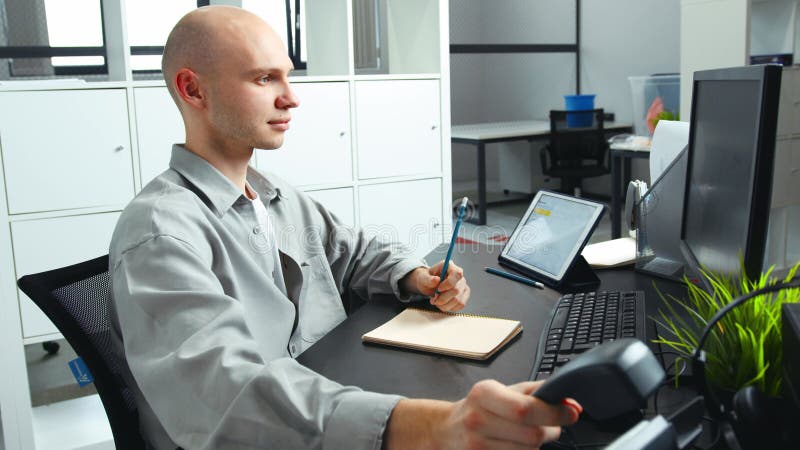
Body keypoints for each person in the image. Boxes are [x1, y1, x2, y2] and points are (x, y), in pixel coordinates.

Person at [109, 5, 581, 449]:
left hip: (327, 398)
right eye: (264, 78)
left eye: (287, 76)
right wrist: (433, 426)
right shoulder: (159, 232)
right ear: (193, 90)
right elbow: (223, 390)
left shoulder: (272, 194)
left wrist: (414, 276)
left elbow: (352, 251)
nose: (290, 97)